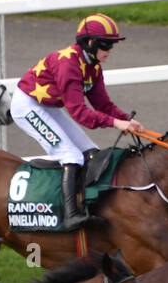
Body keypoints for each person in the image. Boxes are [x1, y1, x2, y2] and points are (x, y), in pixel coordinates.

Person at [12, 13, 145, 231]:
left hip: (48, 105)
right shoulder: (69, 65)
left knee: (91, 152)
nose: (109, 51)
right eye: (106, 45)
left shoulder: (93, 65)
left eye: (112, 46)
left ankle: (86, 205)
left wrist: (127, 120)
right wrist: (116, 123)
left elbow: (102, 104)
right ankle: (70, 215)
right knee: (71, 155)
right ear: (90, 43)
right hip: (27, 106)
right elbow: (80, 114)